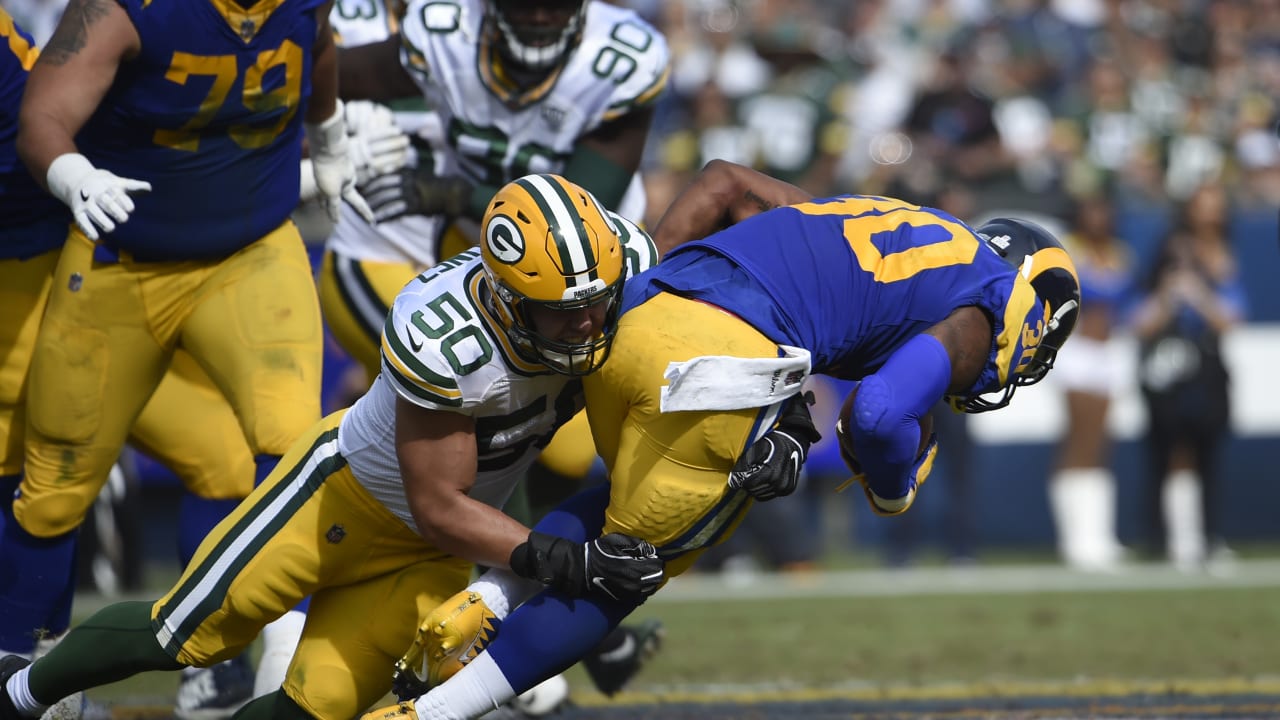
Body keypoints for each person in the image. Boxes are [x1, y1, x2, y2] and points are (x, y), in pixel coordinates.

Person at [365, 159, 1083, 720]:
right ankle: (435, 710)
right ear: (1033, 302)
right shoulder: (984, 303)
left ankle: (489, 599)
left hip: (640, 310)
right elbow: (877, 414)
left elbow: (731, 195)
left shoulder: (903, 224)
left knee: (622, 504)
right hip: (716, 363)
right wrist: (895, 489)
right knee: (628, 569)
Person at [0, 174, 668, 720]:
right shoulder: (448, 338)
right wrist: (563, 561)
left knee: (315, 707)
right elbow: (437, 503)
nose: (586, 322)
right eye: (562, 309)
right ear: (506, 297)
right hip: (342, 498)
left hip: (438, 549)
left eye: (598, 301)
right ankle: (18, 693)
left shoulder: (627, 271)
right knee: (183, 633)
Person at [3, 0, 372, 716]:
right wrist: (74, 174)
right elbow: (42, 117)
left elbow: (317, 45)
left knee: (295, 450)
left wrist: (327, 138)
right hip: (120, 262)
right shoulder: (128, 9)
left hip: (251, 251)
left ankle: (280, 650)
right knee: (55, 488)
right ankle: (17, 661)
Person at [326, 0, 674, 698]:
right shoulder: (439, 30)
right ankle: (502, 648)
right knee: (468, 439)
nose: (541, 16)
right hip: (452, 282)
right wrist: (318, 134)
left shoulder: (623, 57)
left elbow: (585, 197)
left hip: (570, 294)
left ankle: (532, 624)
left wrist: (451, 188)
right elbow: (326, 74)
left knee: (568, 454)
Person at [1132, 182, 1245, 572]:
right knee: (1165, 452)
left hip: (1207, 366)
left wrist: (1198, 292)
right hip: (1167, 368)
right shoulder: (1167, 255)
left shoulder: (1223, 259)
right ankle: (1166, 539)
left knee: (1208, 453)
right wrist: (1169, 292)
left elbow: (1230, 319)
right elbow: (1140, 323)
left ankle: (1207, 537)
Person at [1048, 194, 1134, 572]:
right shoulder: (1071, 251)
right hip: (1079, 350)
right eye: (1091, 210)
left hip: (1108, 351)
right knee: (1079, 441)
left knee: (1100, 443)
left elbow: (1124, 297)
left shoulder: (1119, 252)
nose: (1098, 217)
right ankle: (1075, 539)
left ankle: (1099, 535)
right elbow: (1087, 293)